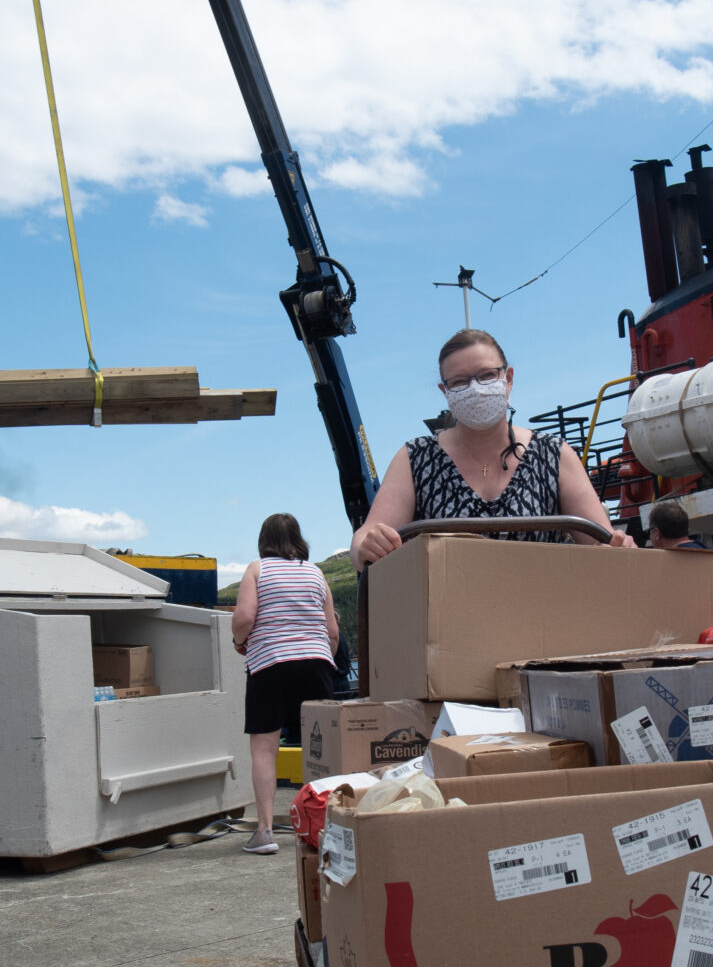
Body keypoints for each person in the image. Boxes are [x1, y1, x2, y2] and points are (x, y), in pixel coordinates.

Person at [351, 329, 636, 563]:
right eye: (460, 382)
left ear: (508, 378)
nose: (475, 388)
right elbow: (366, 539)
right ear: (445, 392)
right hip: (445, 626)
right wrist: (367, 544)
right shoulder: (414, 458)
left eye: (487, 376)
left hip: (541, 622)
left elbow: (603, 546)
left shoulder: (555, 454)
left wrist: (620, 549)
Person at [230, 513, 339, 856]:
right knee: (321, 748)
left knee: (265, 748)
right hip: (317, 664)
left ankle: (264, 832)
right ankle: (325, 825)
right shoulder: (316, 572)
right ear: (298, 538)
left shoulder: (257, 569)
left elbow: (245, 618)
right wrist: (325, 656)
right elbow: (332, 631)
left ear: (264, 541)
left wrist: (239, 640)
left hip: (271, 665)